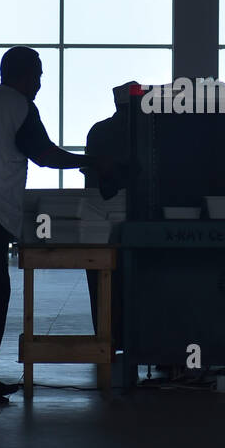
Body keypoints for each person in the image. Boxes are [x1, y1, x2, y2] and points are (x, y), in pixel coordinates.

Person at [0, 47, 110, 404]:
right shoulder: (20, 107)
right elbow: (45, 155)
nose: (41, 84)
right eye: (39, 75)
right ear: (27, 75)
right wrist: (94, 161)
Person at [83, 81, 135, 343]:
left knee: (101, 284)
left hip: (98, 219)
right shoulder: (142, 131)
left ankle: (106, 341)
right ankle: (135, 340)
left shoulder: (99, 131)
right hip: (133, 218)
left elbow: (92, 175)